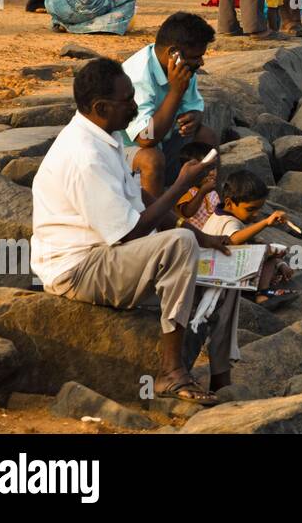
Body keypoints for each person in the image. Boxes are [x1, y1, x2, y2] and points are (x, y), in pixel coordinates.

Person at [30, 57, 231, 404]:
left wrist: (206, 238)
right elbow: (129, 234)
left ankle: (222, 380)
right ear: (100, 107)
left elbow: (136, 195)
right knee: (180, 245)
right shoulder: (85, 155)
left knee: (222, 270)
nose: (136, 106)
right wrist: (182, 185)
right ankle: (171, 372)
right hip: (78, 269)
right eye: (128, 100)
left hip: (105, 254)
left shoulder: (100, 136)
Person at [121, 11, 221, 202]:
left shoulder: (180, 67)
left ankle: (213, 205)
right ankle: (156, 222)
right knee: (152, 158)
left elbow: (194, 107)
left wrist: (194, 118)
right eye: (196, 57)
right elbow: (145, 138)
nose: (201, 62)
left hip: (164, 142)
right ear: (173, 53)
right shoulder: (137, 77)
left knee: (206, 137)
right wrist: (175, 92)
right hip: (125, 152)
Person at [203, 170, 296, 306]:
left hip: (214, 267)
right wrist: (265, 223)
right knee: (268, 251)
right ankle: (262, 294)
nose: (256, 214)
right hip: (218, 273)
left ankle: (271, 275)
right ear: (229, 203)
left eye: (259, 209)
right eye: (250, 209)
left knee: (263, 247)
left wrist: (281, 264)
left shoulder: (221, 214)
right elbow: (233, 240)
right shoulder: (229, 221)